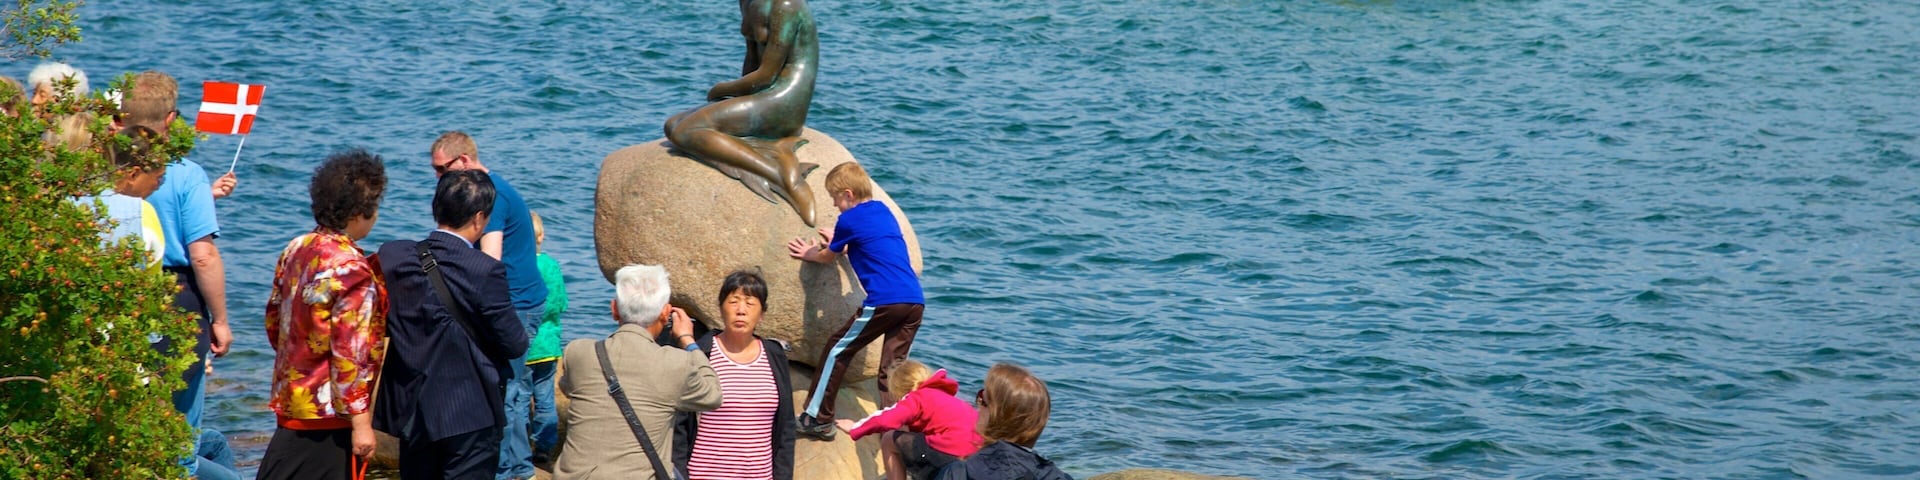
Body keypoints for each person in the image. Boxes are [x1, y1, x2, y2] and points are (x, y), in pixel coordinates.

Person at [374, 170, 531, 480]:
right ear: (479, 218)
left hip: (413, 409)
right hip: (469, 411)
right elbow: (515, 342)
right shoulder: (485, 270)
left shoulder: (394, 255)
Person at [119, 73, 236, 459]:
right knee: (181, 433)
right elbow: (202, 255)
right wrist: (219, 319)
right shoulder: (185, 174)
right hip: (177, 298)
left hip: (120, 294)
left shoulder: (107, 167)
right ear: (170, 119)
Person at [256, 150, 390, 480]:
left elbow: (274, 320)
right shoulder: (353, 270)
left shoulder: (297, 248)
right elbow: (350, 353)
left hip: (292, 395)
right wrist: (361, 424)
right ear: (360, 212)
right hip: (330, 413)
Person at [427, 130, 548, 480]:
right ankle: (518, 466)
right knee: (507, 389)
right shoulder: (489, 189)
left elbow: (489, 260)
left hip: (516, 305)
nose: (436, 178)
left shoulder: (489, 199)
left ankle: (509, 471)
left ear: (463, 161)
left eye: (440, 170)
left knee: (504, 391)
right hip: (517, 300)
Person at [785, 161, 925, 440]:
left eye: (835, 199)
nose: (836, 206)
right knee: (892, 369)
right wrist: (842, 243)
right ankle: (897, 431)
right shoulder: (883, 211)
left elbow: (827, 256)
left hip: (885, 301)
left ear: (848, 194)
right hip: (914, 301)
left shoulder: (849, 219)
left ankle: (817, 419)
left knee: (838, 350)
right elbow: (874, 248)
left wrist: (813, 253)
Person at [662, 0, 821, 226]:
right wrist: (736, 99)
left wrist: (720, 89)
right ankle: (750, 151)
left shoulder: (786, 5)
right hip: (762, 94)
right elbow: (753, 61)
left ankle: (781, 177)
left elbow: (767, 74)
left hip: (785, 99)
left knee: (686, 132)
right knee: (672, 125)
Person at [553, 265, 721, 479]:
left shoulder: (578, 352)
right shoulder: (676, 363)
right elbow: (713, 395)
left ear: (614, 309)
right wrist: (688, 339)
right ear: (665, 313)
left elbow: (568, 387)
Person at [672, 270, 796, 480]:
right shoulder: (703, 353)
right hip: (704, 475)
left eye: (750, 303)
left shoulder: (774, 355)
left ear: (762, 314)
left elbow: (786, 426)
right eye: (733, 301)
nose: (741, 310)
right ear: (721, 310)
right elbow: (680, 425)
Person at [837, 360, 983, 480]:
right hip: (974, 457)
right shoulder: (949, 399)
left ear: (900, 390)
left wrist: (855, 428)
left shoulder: (917, 397)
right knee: (911, 435)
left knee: (889, 439)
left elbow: (885, 419)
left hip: (950, 453)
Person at [935, 364, 1069, 480]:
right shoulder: (1056, 476)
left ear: (996, 416)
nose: (977, 405)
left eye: (982, 398)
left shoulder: (959, 473)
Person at [73, 125, 166, 270]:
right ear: (133, 174)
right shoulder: (142, 213)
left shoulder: (69, 198)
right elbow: (151, 283)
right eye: (160, 178)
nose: (158, 185)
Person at [525, 210, 566, 464]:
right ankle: (544, 447)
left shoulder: (517, 265)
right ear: (541, 237)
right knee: (545, 399)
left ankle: (520, 443)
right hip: (548, 346)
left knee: (518, 398)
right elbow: (560, 302)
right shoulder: (550, 265)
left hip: (525, 347)